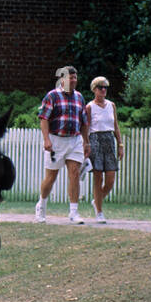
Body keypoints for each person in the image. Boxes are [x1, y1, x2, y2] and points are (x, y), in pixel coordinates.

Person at [35, 65, 90, 224]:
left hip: (74, 140)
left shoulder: (79, 97)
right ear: (62, 79)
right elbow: (44, 118)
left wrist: (86, 142)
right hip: (56, 140)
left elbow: (84, 122)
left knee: (74, 173)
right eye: (70, 77)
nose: (73, 80)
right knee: (51, 177)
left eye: (75, 78)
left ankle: (73, 212)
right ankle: (42, 206)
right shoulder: (52, 96)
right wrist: (46, 139)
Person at [84, 76, 123, 223]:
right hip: (95, 141)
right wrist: (86, 145)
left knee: (110, 180)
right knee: (98, 177)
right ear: (94, 89)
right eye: (100, 87)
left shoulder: (111, 105)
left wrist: (120, 145)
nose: (103, 90)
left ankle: (97, 200)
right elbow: (86, 128)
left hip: (109, 141)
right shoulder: (89, 107)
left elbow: (116, 126)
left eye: (105, 87)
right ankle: (99, 211)